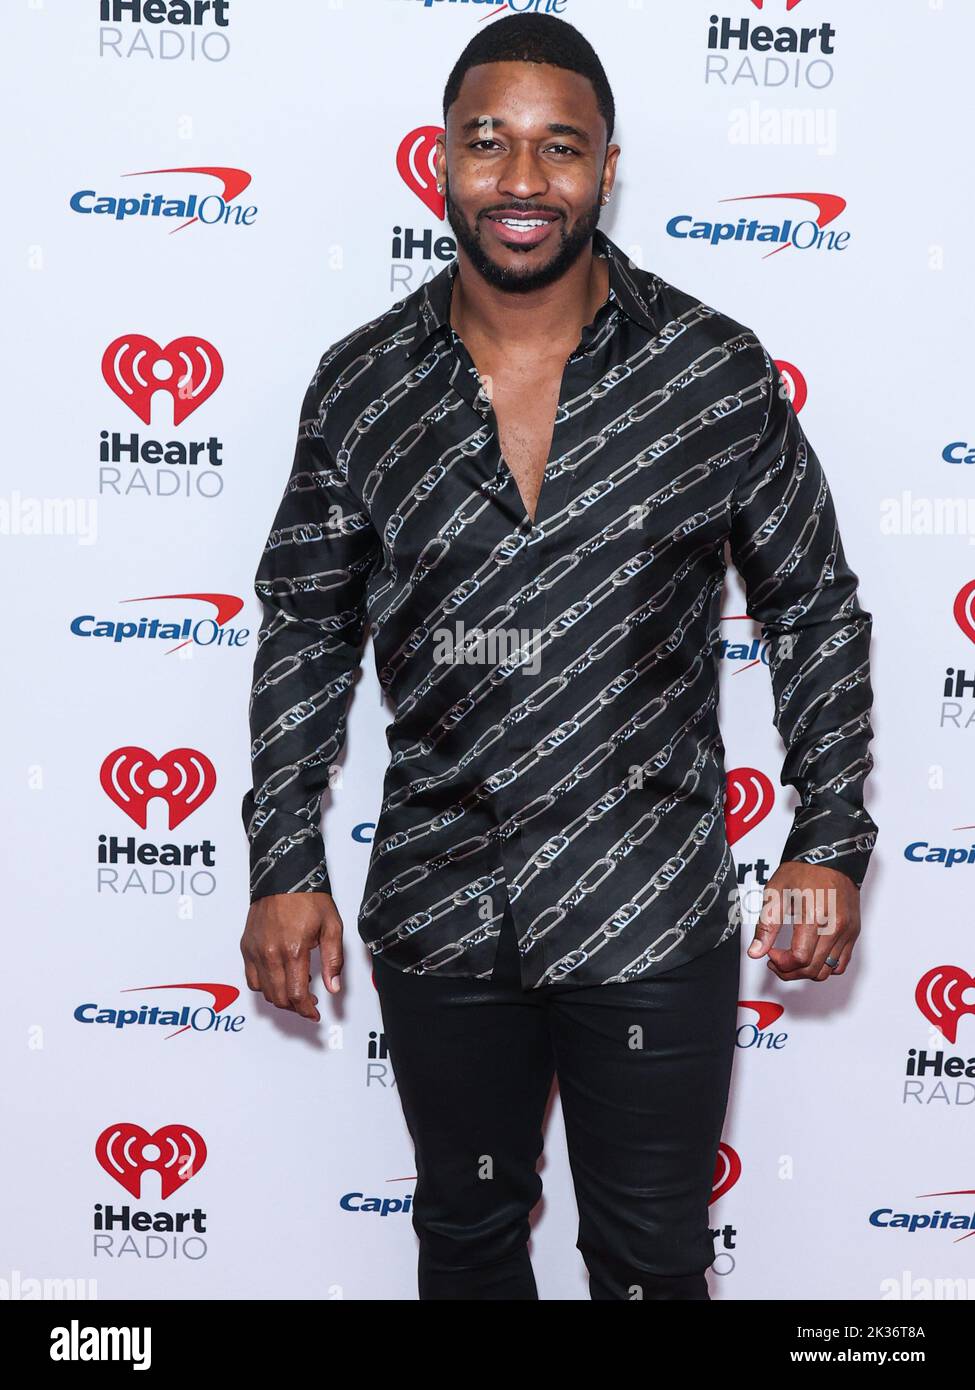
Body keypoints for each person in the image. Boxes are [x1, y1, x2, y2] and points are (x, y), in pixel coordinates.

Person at [240, 13, 877, 1300]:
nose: (522, 182)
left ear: (606, 167)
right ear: (438, 163)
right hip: (443, 909)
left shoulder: (710, 371)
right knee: (469, 1249)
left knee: (649, 1260)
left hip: (650, 908)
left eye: (558, 149)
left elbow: (811, 606)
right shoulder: (362, 385)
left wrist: (829, 837)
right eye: (489, 144)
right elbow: (307, 625)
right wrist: (281, 859)